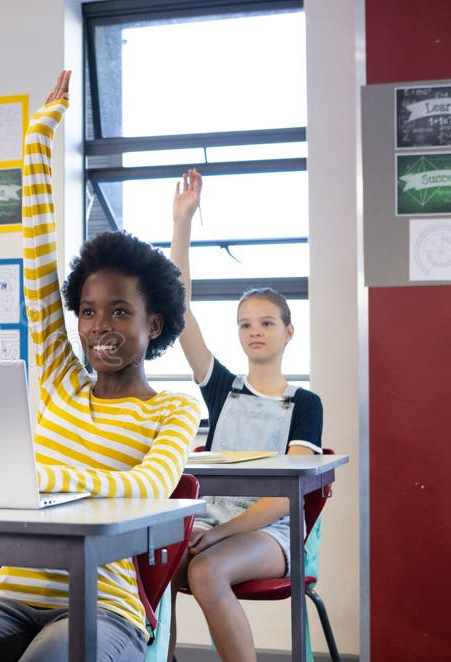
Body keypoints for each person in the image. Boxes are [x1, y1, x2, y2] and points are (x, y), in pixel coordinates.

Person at [0, 71, 200, 662]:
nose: (99, 326)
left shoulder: (174, 408)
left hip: (105, 605)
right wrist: (37, 142)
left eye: (119, 312)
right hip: (11, 595)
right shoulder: (61, 378)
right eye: (87, 312)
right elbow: (37, 257)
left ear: (154, 324)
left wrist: (33, 483)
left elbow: (146, 489)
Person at [167, 169, 323, 662]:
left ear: (288, 332)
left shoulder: (305, 403)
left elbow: (281, 499)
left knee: (206, 570)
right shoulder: (220, 387)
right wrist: (182, 222)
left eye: (267, 323)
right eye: (245, 325)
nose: (255, 331)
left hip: (268, 534)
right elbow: (179, 312)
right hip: (209, 524)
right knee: (148, 567)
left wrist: (216, 535)